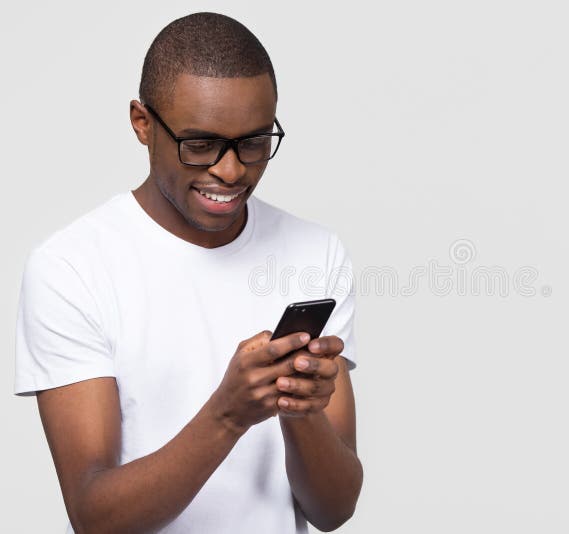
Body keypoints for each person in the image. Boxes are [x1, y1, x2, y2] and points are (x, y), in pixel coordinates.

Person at [13, 12, 362, 534]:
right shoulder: (71, 267)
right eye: (200, 144)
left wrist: (301, 410)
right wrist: (228, 414)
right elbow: (95, 516)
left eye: (254, 142)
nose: (231, 170)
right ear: (142, 124)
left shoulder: (315, 252)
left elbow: (333, 511)